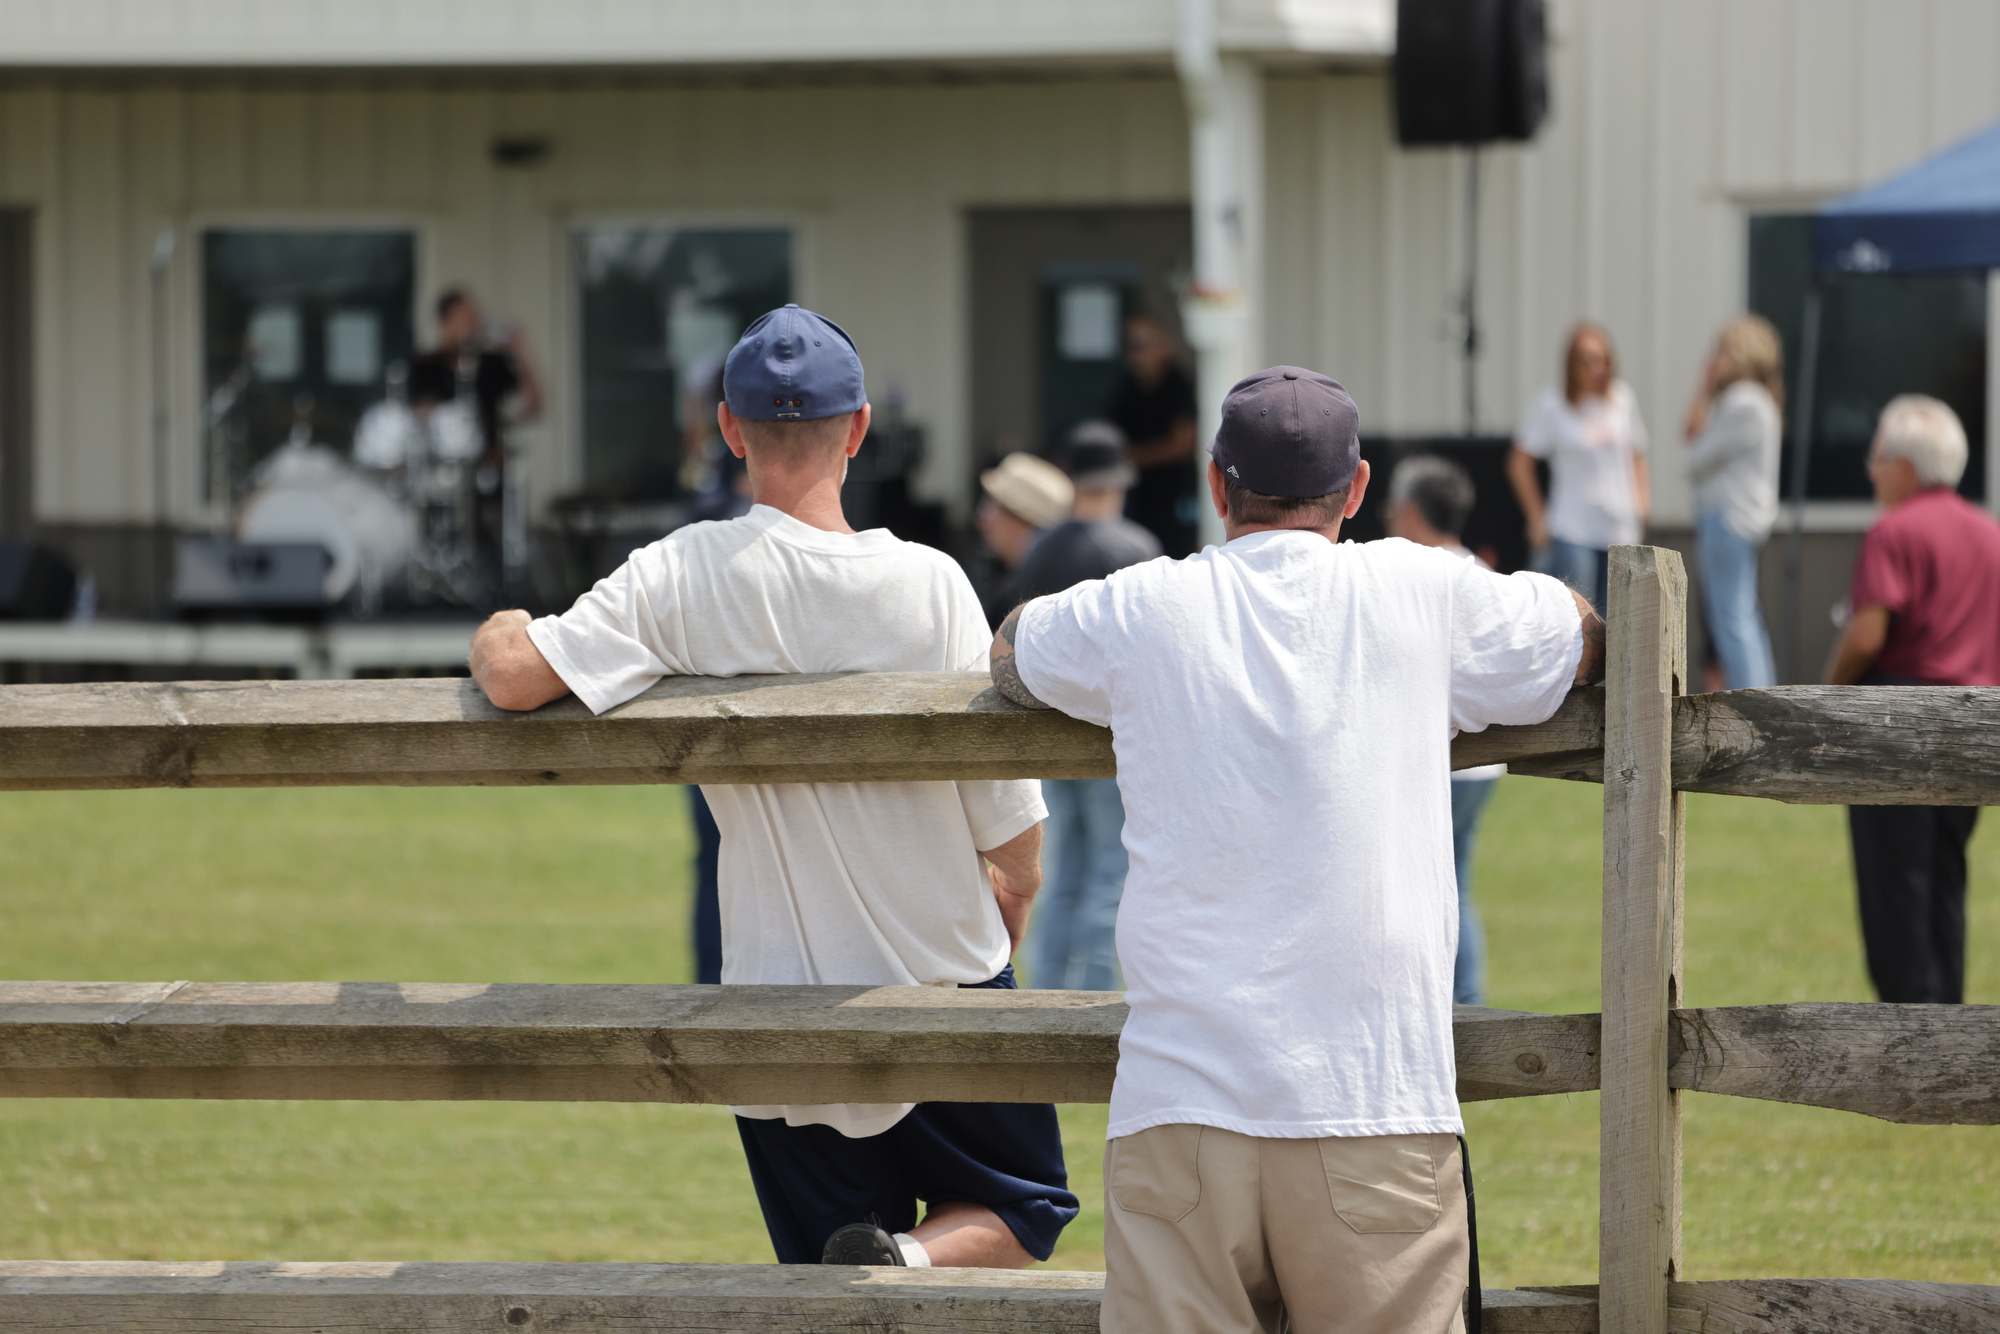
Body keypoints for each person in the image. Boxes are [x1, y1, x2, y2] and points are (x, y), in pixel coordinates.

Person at [992, 366, 1603, 1334]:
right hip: (1372, 1093)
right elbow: (1580, 636)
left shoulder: (1144, 605)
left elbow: (1014, 647)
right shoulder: (1422, 586)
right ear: (1356, 488)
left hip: (1179, 1100)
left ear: (1213, 484)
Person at [467, 304, 1077, 1271]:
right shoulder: (933, 583)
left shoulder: (683, 572)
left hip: (779, 997)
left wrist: (502, 620)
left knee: (820, 1287)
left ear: (729, 428)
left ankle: (880, 1271)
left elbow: (511, 678)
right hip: (942, 969)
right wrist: (1002, 936)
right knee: (1029, 1206)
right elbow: (1011, 839)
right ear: (861, 427)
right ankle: (910, 1262)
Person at [1825, 395, 2000, 1005]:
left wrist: (1826, 694)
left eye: (1878, 456)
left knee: (1894, 886)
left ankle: (1905, 1035)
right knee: (1946, 882)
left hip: (1899, 722)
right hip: (1977, 723)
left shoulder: (1893, 531)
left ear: (1904, 464)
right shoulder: (1989, 533)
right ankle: (1947, 1025)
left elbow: (1869, 633)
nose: (1871, 469)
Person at [1013, 421, 1162, 991]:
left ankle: (1048, 994)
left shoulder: (1040, 549)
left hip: (1050, 737)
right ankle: (1096, 997)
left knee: (1060, 875)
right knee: (1110, 875)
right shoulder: (1138, 550)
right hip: (1113, 739)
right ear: (1119, 479)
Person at [1385, 454, 1500, 1007]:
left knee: (1426, 888)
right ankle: (1465, 1003)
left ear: (1409, 512)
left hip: (1437, 766)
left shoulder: (1415, 582)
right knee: (1457, 882)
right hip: (1483, 769)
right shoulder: (1480, 575)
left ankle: (1444, 1002)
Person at [1506, 323, 1649, 612]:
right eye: (1587, 360)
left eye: (1603, 360)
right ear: (1572, 364)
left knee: (1619, 623)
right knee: (1579, 620)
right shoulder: (1552, 404)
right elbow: (1519, 463)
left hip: (1620, 530)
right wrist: (1537, 516)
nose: (1597, 368)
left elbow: (1637, 453)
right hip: (1574, 530)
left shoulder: (1623, 399)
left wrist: (1642, 502)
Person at [1684, 316, 1784, 690]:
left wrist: (1704, 391)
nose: (1715, 357)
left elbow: (1693, 459)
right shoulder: (1758, 400)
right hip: (1740, 522)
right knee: (1740, 616)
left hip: (1728, 520)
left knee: (1732, 620)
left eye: (1722, 349)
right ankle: (1760, 696)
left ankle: (1753, 701)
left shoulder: (1742, 400)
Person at [1108, 314, 1200, 559]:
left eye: (1144, 345)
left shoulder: (1177, 386)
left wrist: (1130, 457)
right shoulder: (1128, 387)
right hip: (1137, 497)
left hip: (1176, 498)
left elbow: (1182, 445)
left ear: (1165, 346)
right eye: (1130, 346)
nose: (1137, 355)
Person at [974, 451, 1072, 630]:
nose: (982, 521)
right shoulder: (1065, 591)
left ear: (1022, 522)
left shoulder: (1014, 603)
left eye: (991, 508)